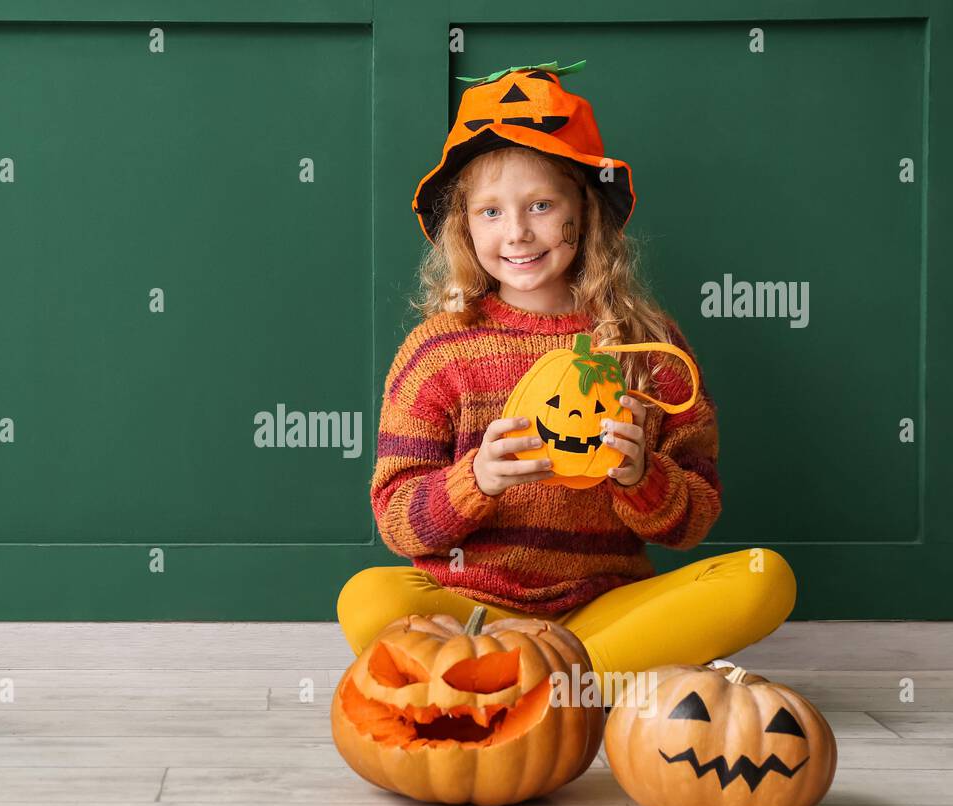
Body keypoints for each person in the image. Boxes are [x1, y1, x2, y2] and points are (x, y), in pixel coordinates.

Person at [337, 60, 795, 680]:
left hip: (604, 609)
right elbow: (396, 516)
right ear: (464, 228)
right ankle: (567, 680)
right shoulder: (439, 350)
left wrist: (641, 476)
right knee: (369, 598)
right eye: (491, 212)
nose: (518, 232)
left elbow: (696, 517)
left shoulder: (648, 346)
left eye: (542, 205)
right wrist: (475, 480)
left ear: (586, 210)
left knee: (763, 580)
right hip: (474, 609)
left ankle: (535, 680)